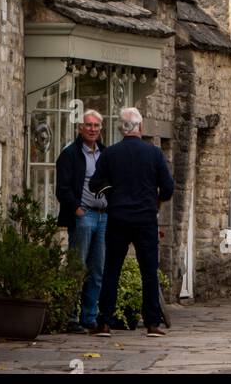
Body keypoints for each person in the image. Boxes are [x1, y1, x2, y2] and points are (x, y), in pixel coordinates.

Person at [89, 107, 174, 337]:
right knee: (149, 271)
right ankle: (152, 323)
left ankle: (105, 322)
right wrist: (157, 200)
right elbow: (168, 187)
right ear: (140, 127)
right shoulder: (154, 154)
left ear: (120, 128)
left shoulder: (110, 154)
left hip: (117, 217)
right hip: (145, 218)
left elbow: (95, 184)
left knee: (112, 270)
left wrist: (111, 194)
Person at [55, 111, 108, 332]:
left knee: (97, 270)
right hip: (83, 215)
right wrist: (77, 210)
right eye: (88, 125)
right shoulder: (70, 154)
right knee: (78, 267)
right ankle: (70, 317)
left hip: (104, 216)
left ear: (101, 128)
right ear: (80, 128)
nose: (92, 129)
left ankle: (90, 317)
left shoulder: (105, 154)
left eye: (96, 125)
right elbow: (62, 189)